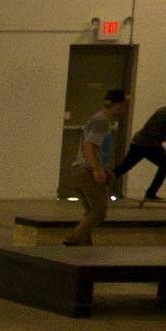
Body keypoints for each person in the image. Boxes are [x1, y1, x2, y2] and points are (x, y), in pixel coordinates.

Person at [62, 88, 127, 245]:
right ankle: (73, 239)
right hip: (86, 171)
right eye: (124, 106)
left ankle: (85, 245)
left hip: (81, 170)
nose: (124, 110)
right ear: (118, 105)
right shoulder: (101, 121)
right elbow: (89, 146)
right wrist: (97, 169)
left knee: (91, 211)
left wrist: (103, 169)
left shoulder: (97, 119)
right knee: (99, 211)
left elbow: (94, 149)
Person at [117, 92, 166, 204]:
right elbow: (152, 129)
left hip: (142, 144)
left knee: (124, 167)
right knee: (164, 164)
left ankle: (102, 181)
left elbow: (159, 128)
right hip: (145, 144)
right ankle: (150, 193)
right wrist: (165, 138)